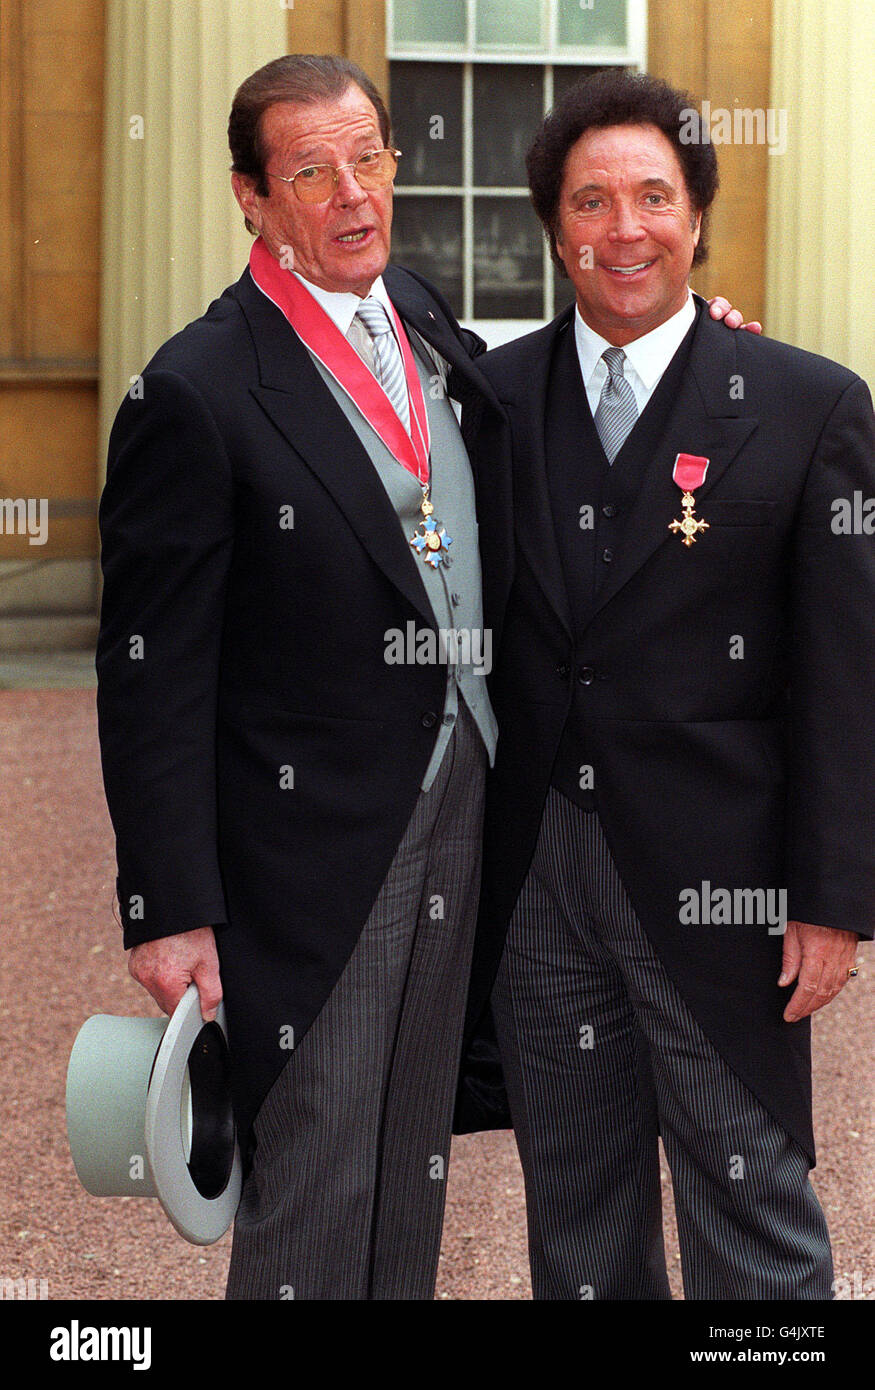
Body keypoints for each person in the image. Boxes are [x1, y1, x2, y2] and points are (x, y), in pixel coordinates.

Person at [96, 53, 747, 1301]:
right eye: (308, 172)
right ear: (249, 196)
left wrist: (688, 341)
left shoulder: (428, 314)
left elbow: (560, 399)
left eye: (369, 160)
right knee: (317, 1172)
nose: (351, 196)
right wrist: (168, 908)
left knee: (415, 1159)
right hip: (310, 843)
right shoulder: (194, 391)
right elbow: (148, 675)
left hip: (462, 804)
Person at [460, 68, 874, 1300]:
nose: (622, 228)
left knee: (752, 1214)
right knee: (576, 1226)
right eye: (590, 201)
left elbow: (846, 675)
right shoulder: (481, 400)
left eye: (651, 195)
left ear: (696, 215)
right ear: (553, 227)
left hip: (722, 881)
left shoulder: (808, 406)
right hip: (535, 876)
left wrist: (834, 898)